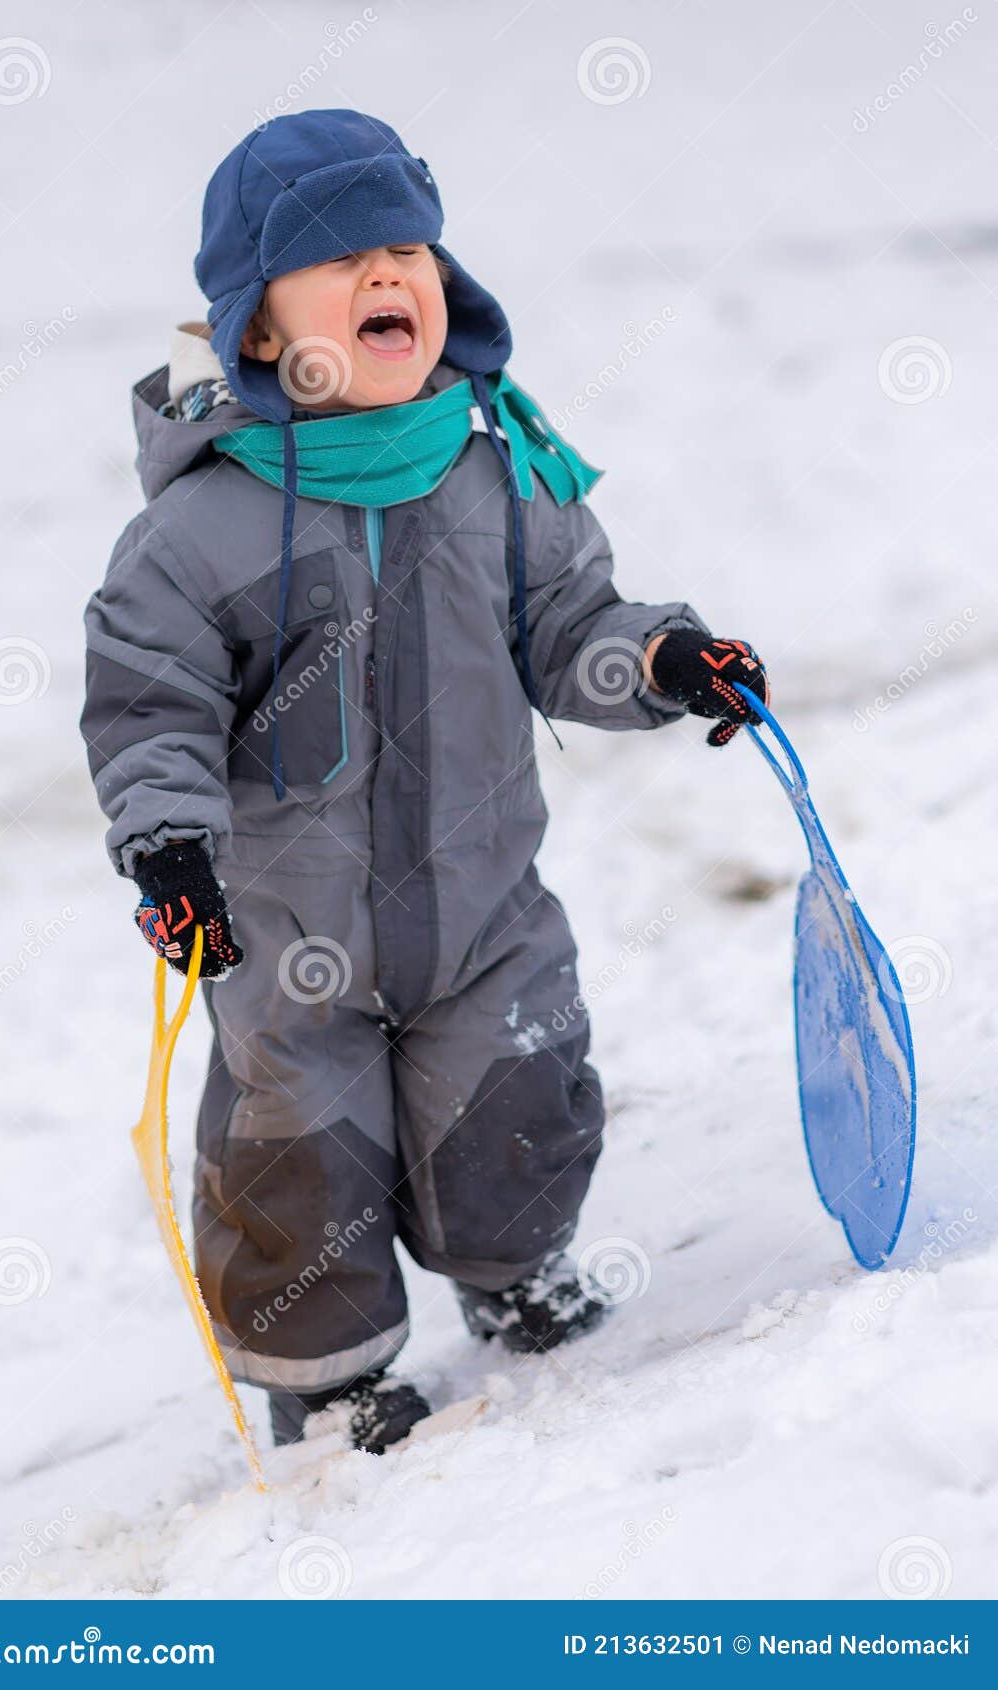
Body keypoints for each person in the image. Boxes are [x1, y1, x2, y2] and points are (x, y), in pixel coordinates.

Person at [81, 109, 768, 1456]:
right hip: (291, 938)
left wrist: (666, 658)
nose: (390, 273)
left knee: (513, 1099)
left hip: (478, 910)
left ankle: (514, 1272)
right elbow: (147, 703)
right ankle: (330, 1374)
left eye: (409, 247)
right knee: (296, 1148)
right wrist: (167, 842)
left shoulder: (498, 472)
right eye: (344, 256)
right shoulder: (195, 530)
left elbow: (571, 627)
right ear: (260, 332)